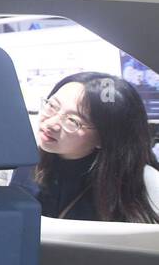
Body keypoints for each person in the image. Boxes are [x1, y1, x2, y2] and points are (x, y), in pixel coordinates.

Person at [10, 72, 159, 222]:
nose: (50, 124)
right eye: (52, 106)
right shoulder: (24, 161)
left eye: (73, 121)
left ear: (104, 138)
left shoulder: (139, 185)